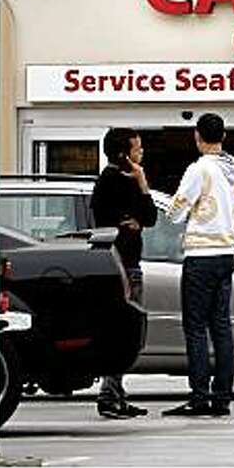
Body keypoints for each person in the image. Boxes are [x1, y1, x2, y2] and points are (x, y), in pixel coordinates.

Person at [163, 113, 234, 417]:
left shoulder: (200, 169)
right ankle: (222, 397)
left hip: (201, 255)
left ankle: (199, 396)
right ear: (223, 136)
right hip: (226, 251)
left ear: (198, 136)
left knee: (195, 328)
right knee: (221, 327)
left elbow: (175, 212)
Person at [90, 127, 158, 419]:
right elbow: (150, 215)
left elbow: (147, 220)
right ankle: (109, 395)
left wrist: (138, 218)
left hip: (123, 264)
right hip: (123, 266)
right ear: (123, 154)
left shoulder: (114, 180)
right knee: (122, 330)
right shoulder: (115, 181)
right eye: (137, 149)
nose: (141, 154)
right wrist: (142, 184)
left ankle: (116, 393)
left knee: (123, 330)